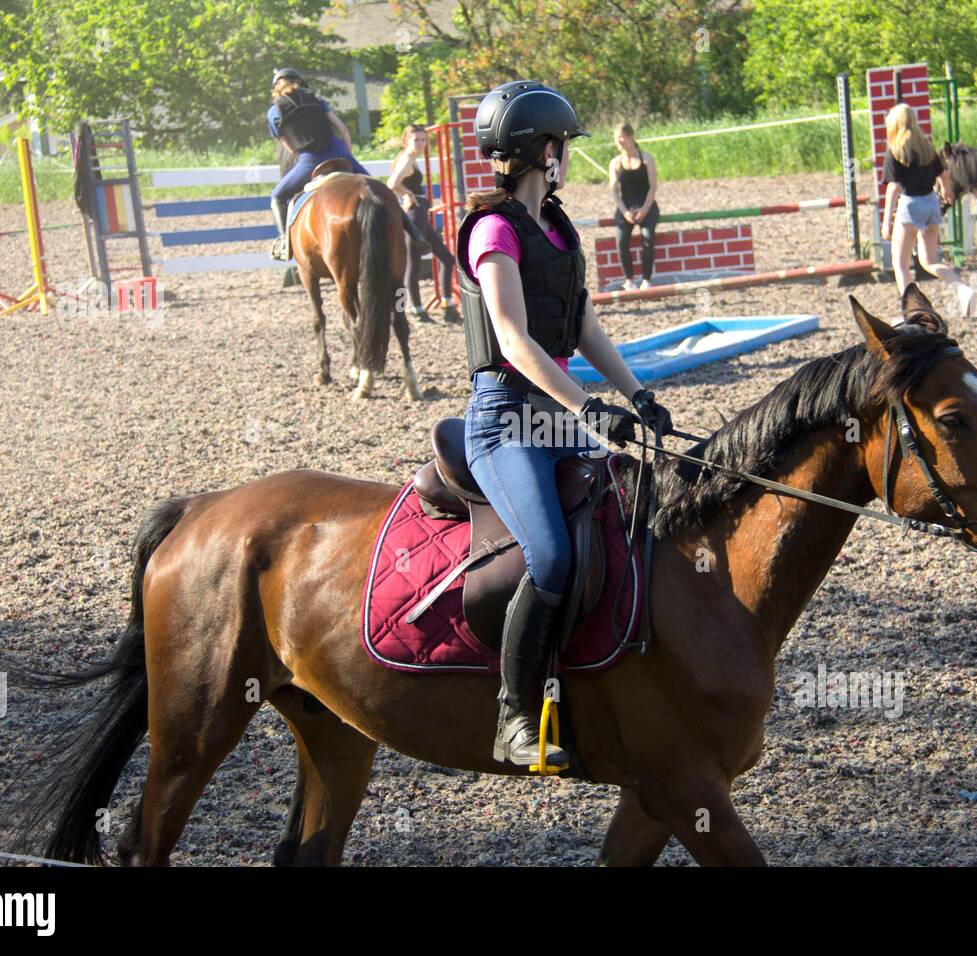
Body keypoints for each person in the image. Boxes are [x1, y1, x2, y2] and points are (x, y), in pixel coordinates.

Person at [456, 81, 673, 768]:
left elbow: (577, 324)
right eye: (565, 147)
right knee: (550, 557)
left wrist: (636, 392)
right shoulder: (493, 232)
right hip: (505, 424)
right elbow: (516, 342)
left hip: (557, 417)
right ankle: (514, 716)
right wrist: (586, 407)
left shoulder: (556, 226)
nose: (569, 158)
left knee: (639, 510)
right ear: (544, 152)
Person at [266, 68, 429, 261]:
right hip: (338, 151)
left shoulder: (274, 112)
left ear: (276, 89)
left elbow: (291, 148)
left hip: (310, 159)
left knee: (277, 197)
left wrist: (306, 160)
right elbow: (342, 128)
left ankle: (285, 243)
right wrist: (347, 155)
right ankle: (415, 234)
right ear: (301, 83)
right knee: (381, 190)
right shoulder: (317, 101)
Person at [880, 103, 975, 318]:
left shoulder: (895, 151)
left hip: (910, 205)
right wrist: (947, 192)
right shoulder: (926, 147)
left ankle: (910, 312)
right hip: (931, 204)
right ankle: (961, 287)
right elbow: (944, 175)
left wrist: (886, 221)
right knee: (929, 261)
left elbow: (893, 188)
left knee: (901, 263)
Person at [388, 124, 459, 322]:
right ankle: (416, 309)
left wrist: (408, 194)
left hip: (420, 215)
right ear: (406, 140)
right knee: (413, 265)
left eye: (423, 139)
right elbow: (392, 184)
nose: (421, 143)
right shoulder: (407, 160)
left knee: (446, 258)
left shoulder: (409, 158)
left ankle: (447, 305)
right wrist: (408, 194)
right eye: (416, 139)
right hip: (414, 216)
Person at [608, 124, 660, 290]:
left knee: (648, 237)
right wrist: (625, 212)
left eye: (621, 137)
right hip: (626, 207)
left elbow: (653, 187)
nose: (619, 141)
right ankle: (629, 280)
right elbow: (614, 191)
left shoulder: (647, 158)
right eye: (616, 138)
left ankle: (647, 279)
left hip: (647, 204)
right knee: (622, 241)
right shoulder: (615, 163)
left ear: (631, 137)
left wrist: (644, 210)